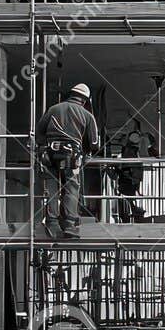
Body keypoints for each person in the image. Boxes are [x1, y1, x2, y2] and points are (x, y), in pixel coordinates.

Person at [36, 83, 101, 238]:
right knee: (71, 186)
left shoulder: (53, 109)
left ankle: (52, 222)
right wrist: (85, 149)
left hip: (50, 153)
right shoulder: (87, 115)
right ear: (85, 101)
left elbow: (39, 134)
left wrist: (45, 146)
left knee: (52, 186)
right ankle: (69, 225)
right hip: (71, 155)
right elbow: (94, 144)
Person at [113, 122, 157, 223]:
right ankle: (131, 214)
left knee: (128, 198)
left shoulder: (131, 150)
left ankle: (131, 215)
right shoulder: (131, 151)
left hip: (130, 177)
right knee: (128, 198)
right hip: (129, 177)